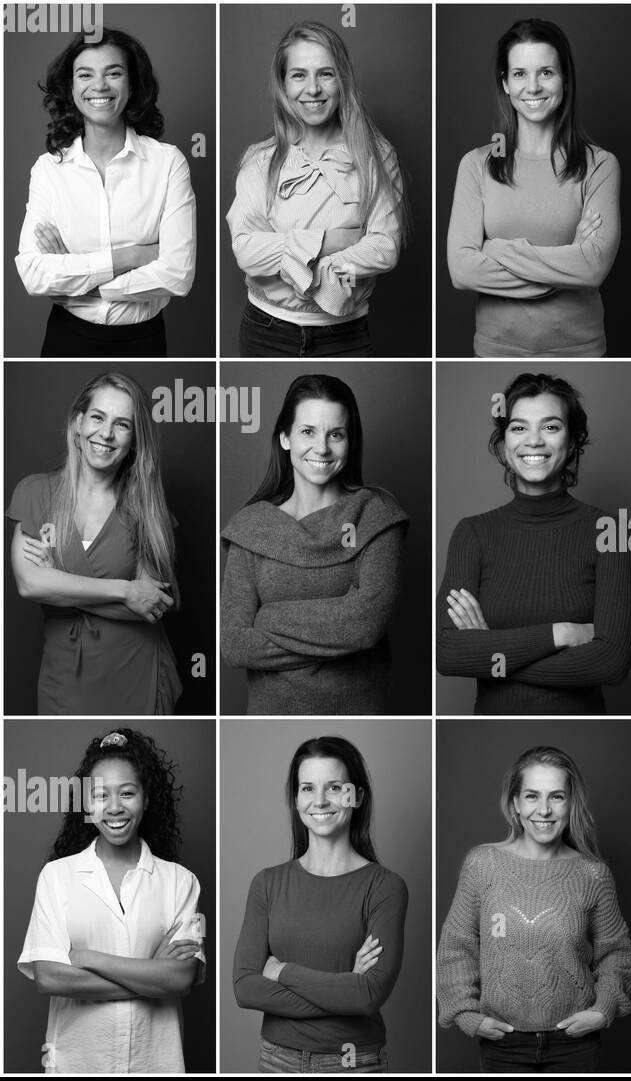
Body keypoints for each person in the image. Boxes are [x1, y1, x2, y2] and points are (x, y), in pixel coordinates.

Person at [436, 372, 631, 714]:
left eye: (551, 426)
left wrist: (492, 654)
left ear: (572, 442)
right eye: (518, 427)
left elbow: (611, 663)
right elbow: (448, 653)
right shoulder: (472, 533)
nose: (534, 441)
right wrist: (560, 634)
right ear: (503, 445)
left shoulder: (611, 531)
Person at [437, 745, 631, 1073]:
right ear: (515, 803)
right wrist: (465, 1013)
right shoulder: (483, 864)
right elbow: (456, 947)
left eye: (556, 797)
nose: (543, 810)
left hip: (575, 1044)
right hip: (503, 1044)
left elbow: (616, 954)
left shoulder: (593, 874)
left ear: (571, 804)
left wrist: (603, 1009)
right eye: (532, 796)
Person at [18, 729, 204, 1074]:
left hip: (156, 1065)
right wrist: (150, 974)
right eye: (101, 795)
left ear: (146, 799)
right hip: (78, 1066)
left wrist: (86, 958)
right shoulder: (56, 877)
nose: (115, 807)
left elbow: (180, 979)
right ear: (87, 804)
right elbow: (49, 978)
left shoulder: (181, 882)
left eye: (128, 793)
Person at [220, 375, 408, 715]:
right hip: (270, 717)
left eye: (335, 434)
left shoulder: (376, 515)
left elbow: (365, 627)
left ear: (350, 442)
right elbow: (234, 645)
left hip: (358, 715)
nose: (322, 448)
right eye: (308, 431)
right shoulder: (250, 526)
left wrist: (267, 617)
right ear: (285, 438)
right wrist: (335, 630)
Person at [227, 21, 409, 357]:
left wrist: (303, 268)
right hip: (266, 332)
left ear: (342, 80)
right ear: (283, 84)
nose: (313, 89)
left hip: (345, 334)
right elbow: (246, 251)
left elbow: (384, 247)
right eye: (299, 75)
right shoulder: (259, 159)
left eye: (325, 74)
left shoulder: (377, 156)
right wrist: (329, 241)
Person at [7, 372, 182, 715]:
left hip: (136, 670)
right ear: (77, 423)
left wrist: (58, 583)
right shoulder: (35, 492)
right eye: (98, 418)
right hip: (62, 673)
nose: (106, 434)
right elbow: (29, 584)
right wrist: (126, 591)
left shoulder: (148, 511)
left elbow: (153, 605)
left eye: (122, 425)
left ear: (135, 440)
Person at [14, 28, 195, 357]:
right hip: (67, 337)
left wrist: (81, 279)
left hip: (144, 340)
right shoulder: (48, 169)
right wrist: (132, 257)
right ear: (71, 88)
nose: (99, 86)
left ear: (132, 84)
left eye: (114, 73)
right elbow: (33, 274)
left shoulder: (168, 163)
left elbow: (177, 274)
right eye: (85, 74)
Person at [233, 737, 408, 1074]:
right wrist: (345, 988)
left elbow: (368, 995)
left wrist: (282, 972)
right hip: (277, 1060)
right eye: (307, 788)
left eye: (334, 787)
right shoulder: (267, 883)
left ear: (356, 797)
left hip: (354, 1061)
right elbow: (246, 989)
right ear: (296, 800)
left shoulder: (385, 887)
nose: (320, 800)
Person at [447, 18, 619, 357]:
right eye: (520, 74)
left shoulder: (600, 164)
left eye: (546, 72)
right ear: (506, 84)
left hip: (580, 350)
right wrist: (566, 262)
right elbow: (462, 271)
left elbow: (593, 268)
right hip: (496, 350)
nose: (534, 87)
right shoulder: (476, 164)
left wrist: (495, 249)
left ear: (565, 80)